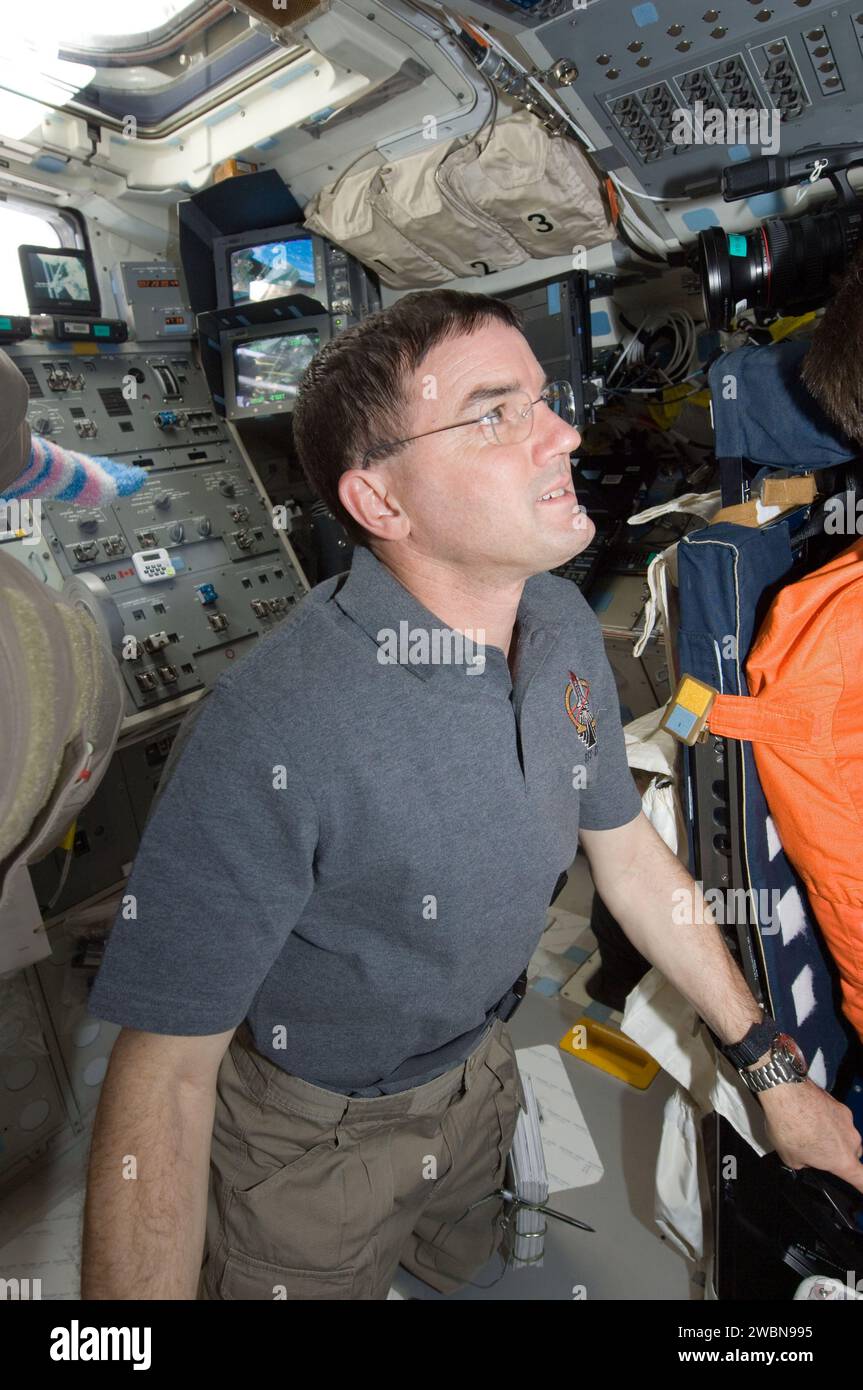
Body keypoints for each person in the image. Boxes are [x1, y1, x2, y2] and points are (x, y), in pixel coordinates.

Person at [82, 290, 863, 1303]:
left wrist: (771, 1068)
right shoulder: (267, 730)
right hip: (309, 1142)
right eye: (494, 414)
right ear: (381, 504)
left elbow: (625, 856)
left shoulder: (555, 621)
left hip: (476, 1074)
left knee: (469, 1269)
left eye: (542, 399)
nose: (562, 433)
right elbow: (164, 1083)